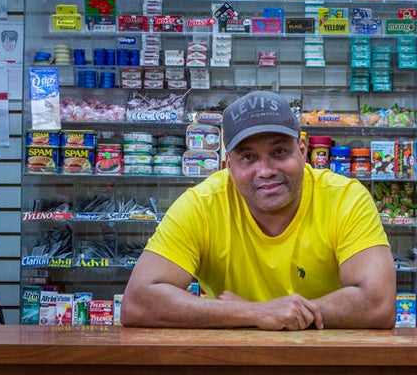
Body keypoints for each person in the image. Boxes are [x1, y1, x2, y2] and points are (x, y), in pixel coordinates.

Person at [121, 90, 397, 330]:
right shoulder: (202, 204)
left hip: (328, 364)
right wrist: (256, 312)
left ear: (303, 150)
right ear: (228, 164)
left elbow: (378, 303)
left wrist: (279, 315)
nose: (265, 171)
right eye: (248, 157)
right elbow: (138, 303)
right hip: (233, 366)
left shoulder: (345, 199)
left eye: (279, 153)